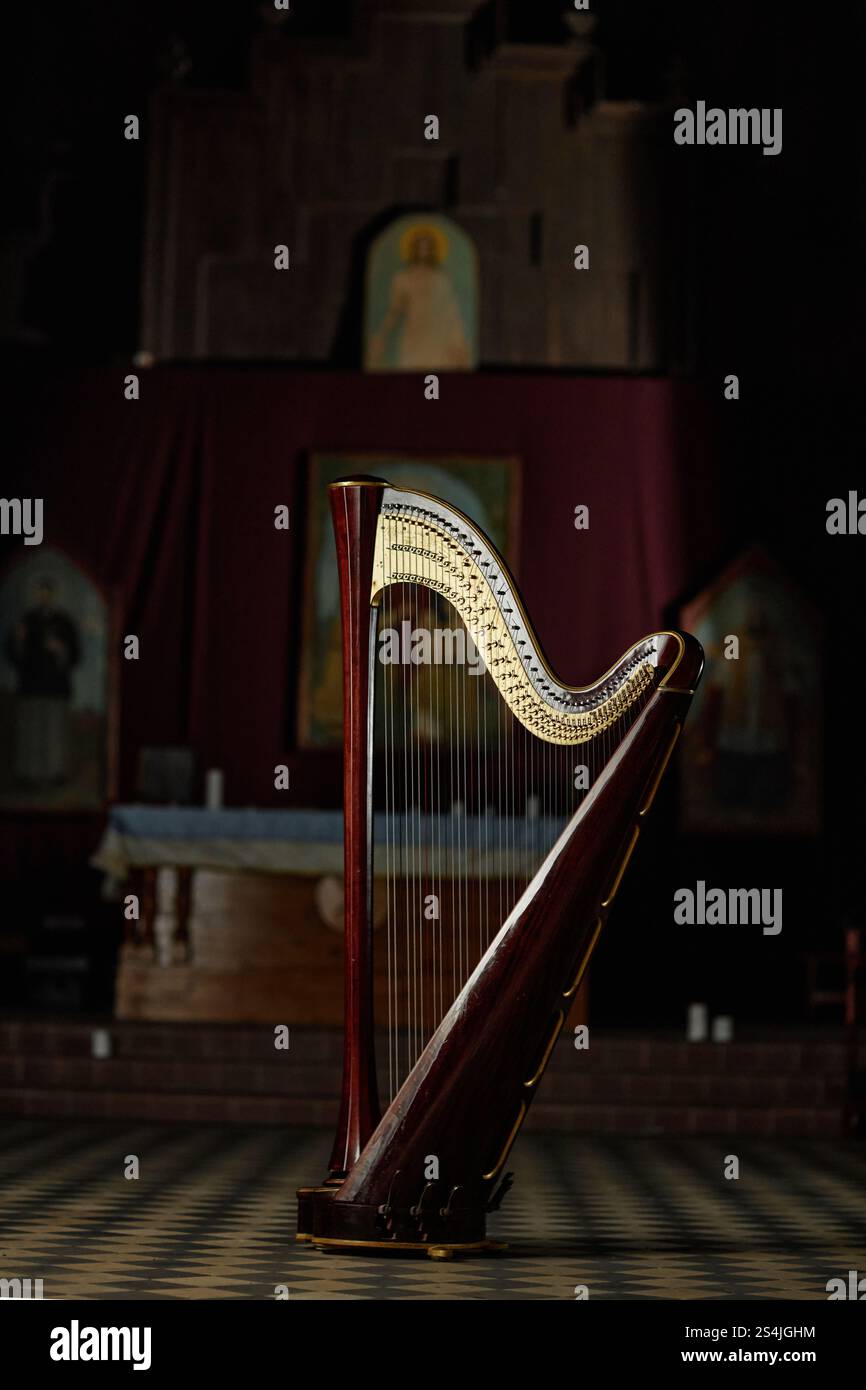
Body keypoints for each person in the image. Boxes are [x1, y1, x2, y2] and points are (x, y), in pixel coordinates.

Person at [5, 577, 81, 786]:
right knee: (30, 732)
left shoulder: (64, 622)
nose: (44, 597)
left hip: (55, 687)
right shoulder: (27, 620)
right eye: (40, 593)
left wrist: (60, 650)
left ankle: (55, 772)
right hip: (30, 686)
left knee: (53, 732)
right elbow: (14, 654)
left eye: (47, 593)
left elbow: (75, 655)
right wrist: (18, 640)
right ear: (37, 595)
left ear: (53, 595)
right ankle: (28, 774)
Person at [368, 226, 471, 370]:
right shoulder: (402, 279)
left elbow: (451, 312)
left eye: (427, 248)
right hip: (414, 334)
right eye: (420, 247)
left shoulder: (441, 279)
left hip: (437, 335)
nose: (423, 251)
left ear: (432, 250)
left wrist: (458, 343)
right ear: (414, 249)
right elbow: (394, 310)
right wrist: (381, 334)